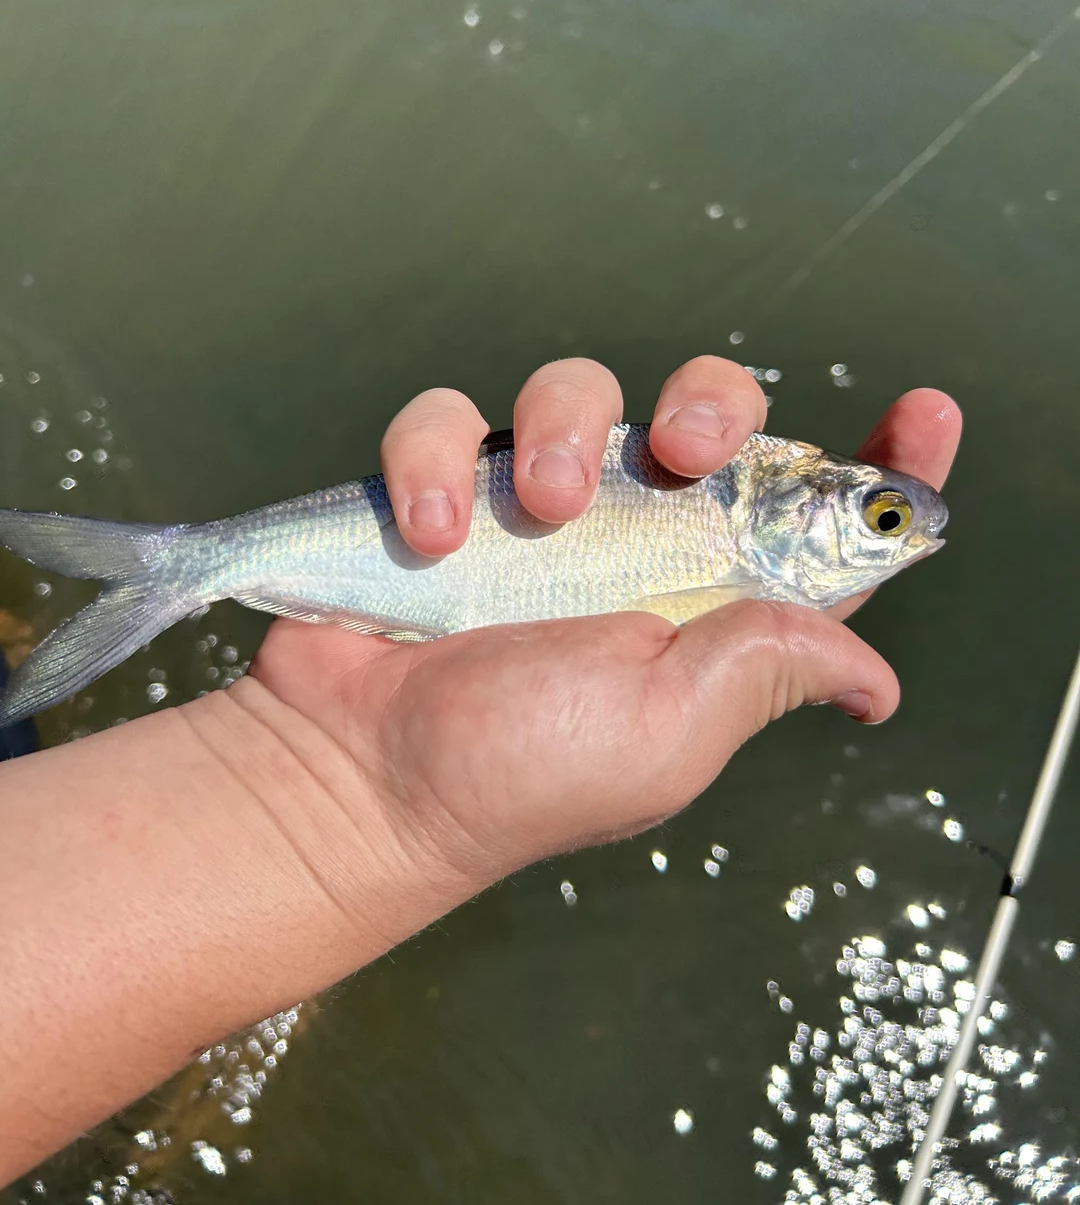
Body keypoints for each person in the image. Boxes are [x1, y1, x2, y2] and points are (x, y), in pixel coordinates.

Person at [0, 353, 962, 1185]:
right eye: (882, 517)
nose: (897, 537)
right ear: (798, 510)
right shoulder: (742, 526)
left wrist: (337, 780)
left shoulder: (753, 580)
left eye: (883, 518)